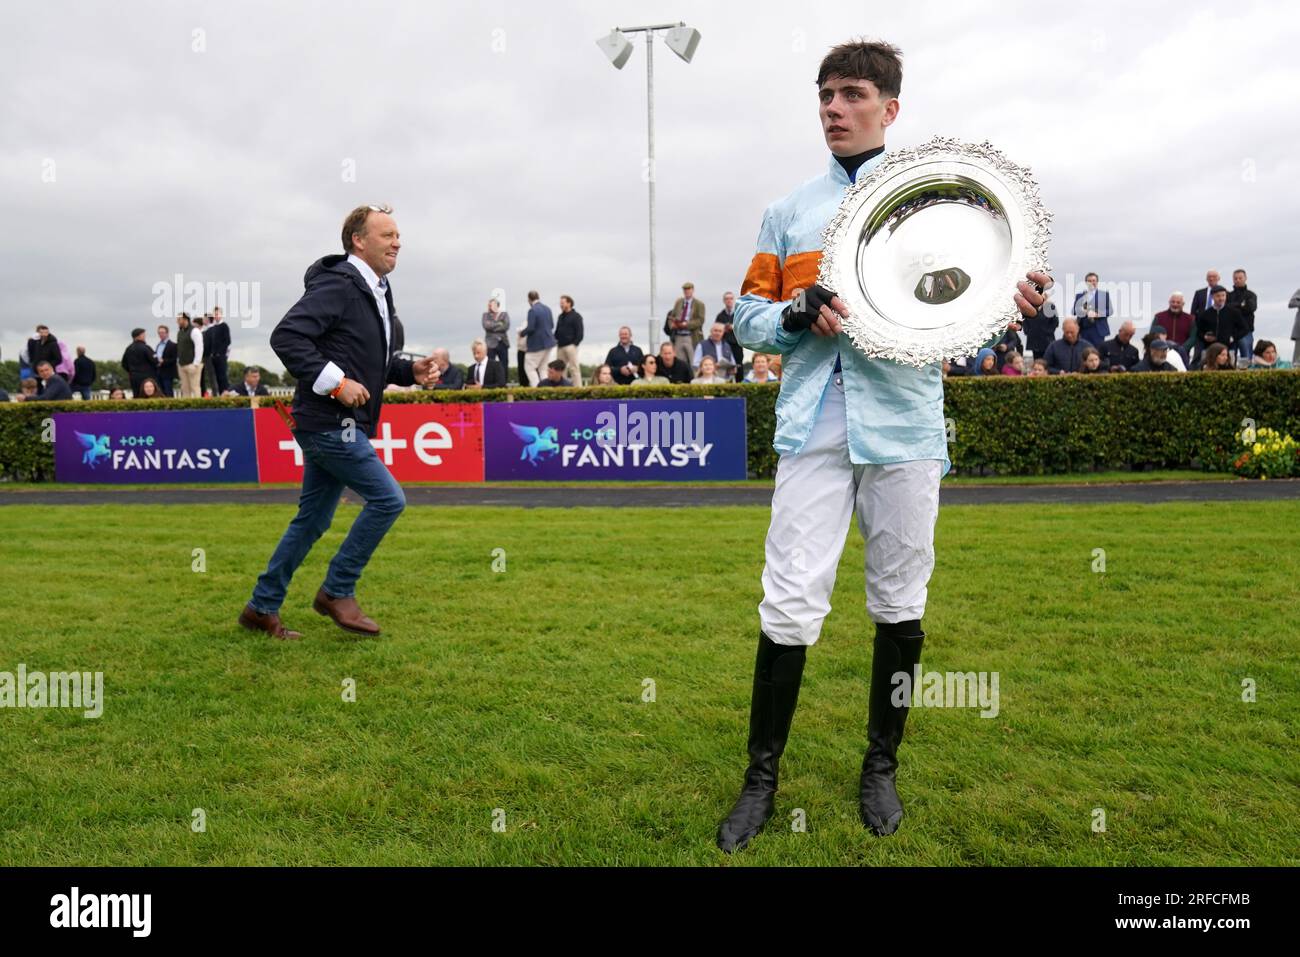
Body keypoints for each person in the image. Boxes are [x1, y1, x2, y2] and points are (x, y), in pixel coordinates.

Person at [722, 37, 1050, 854]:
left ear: (889, 108)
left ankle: (881, 765)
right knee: (790, 599)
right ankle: (761, 776)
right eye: (825, 94)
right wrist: (793, 315)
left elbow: (971, 296)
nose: (834, 107)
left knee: (901, 597)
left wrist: (1013, 293)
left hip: (904, 421)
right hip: (812, 422)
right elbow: (747, 317)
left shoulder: (943, 204)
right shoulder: (788, 210)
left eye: (852, 93)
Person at [242, 203, 437, 640]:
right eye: (387, 235)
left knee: (311, 521)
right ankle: (337, 591)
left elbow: (369, 363)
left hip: (331, 424)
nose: (397, 243)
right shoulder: (341, 283)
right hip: (329, 423)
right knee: (389, 500)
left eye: (398, 235)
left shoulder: (377, 289)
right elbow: (287, 336)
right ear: (358, 240)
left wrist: (410, 373)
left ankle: (260, 607)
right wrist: (335, 384)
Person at [1194, 286, 1243, 364]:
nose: (1221, 298)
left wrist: (1233, 337)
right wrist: (1204, 337)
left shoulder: (1234, 312)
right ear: (1212, 297)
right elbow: (1199, 331)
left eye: (1223, 295)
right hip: (1209, 349)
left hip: (1229, 348)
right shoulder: (1205, 314)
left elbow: (1244, 329)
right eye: (1218, 296)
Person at [665, 281, 706, 364]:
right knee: (680, 362)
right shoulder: (679, 302)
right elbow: (671, 316)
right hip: (678, 336)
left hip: (691, 337)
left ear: (692, 290)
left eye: (688, 289)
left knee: (694, 362)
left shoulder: (699, 304)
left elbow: (701, 320)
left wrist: (686, 325)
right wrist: (672, 325)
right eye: (685, 289)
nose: (687, 291)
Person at [522, 290, 556, 386]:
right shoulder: (547, 309)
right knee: (543, 369)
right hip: (549, 343)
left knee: (529, 367)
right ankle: (546, 389)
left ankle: (536, 389)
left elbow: (531, 328)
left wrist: (522, 333)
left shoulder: (532, 310)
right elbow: (552, 325)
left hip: (537, 344)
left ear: (529, 299)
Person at [1072, 272, 1111, 348]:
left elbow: (1109, 311)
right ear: (1086, 282)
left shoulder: (1104, 295)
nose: (1092, 283)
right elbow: (1074, 311)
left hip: (1098, 329)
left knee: (1097, 352)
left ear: (1097, 282)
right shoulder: (1080, 296)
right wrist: (1083, 311)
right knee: (1083, 352)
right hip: (1083, 329)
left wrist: (1097, 314)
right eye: (1089, 281)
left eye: (1093, 280)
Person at [1227, 268, 1257, 362]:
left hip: (1246, 332)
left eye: (1240, 278)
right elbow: (1227, 309)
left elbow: (1251, 308)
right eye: (1235, 278)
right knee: (1230, 359)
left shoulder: (1251, 295)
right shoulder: (1228, 295)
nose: (1238, 280)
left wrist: (1235, 306)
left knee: (1246, 359)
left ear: (1245, 278)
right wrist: (1241, 305)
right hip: (1231, 332)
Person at [554, 295, 584, 387]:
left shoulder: (576, 316)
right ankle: (562, 387)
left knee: (574, 368)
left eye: (562, 303)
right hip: (560, 346)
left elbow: (580, 332)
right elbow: (557, 330)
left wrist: (575, 344)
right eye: (560, 303)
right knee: (560, 369)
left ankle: (578, 388)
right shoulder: (560, 317)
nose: (561, 305)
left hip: (571, 346)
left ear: (569, 303)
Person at [121, 328, 159, 397]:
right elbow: (155, 361)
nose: (145, 336)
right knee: (148, 396)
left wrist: (131, 371)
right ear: (139, 336)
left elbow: (124, 364)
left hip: (134, 377)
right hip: (147, 377)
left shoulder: (128, 349)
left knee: (137, 395)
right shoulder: (146, 348)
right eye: (143, 335)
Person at [717, 291, 745, 382]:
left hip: (737, 344)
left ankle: (740, 386)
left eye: (730, 298)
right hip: (725, 345)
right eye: (726, 299)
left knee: (738, 366)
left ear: (733, 300)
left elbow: (743, 326)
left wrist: (733, 327)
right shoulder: (720, 316)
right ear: (724, 301)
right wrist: (724, 329)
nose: (729, 301)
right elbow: (717, 329)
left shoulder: (739, 313)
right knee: (725, 366)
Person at [480, 298, 511, 379]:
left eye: (491, 305)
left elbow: (506, 326)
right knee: (490, 364)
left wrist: (493, 327)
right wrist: (499, 323)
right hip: (490, 344)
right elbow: (486, 326)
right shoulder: (485, 315)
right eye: (489, 305)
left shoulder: (504, 314)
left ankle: (503, 383)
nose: (489, 307)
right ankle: (491, 382)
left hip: (503, 343)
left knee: (504, 364)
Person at [179, 314, 205, 397]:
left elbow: (199, 347)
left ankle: (198, 408)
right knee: (185, 388)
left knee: (195, 387)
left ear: (185, 319)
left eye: (179, 319)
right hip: (182, 364)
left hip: (192, 364)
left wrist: (196, 363)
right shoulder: (180, 332)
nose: (178, 321)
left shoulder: (195, 331)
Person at [208, 306, 232, 394]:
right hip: (213, 356)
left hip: (221, 356)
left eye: (217, 314)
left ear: (221, 315)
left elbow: (227, 341)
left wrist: (220, 353)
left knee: (223, 377)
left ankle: (225, 393)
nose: (216, 316)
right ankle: (220, 394)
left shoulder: (224, 326)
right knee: (217, 377)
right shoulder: (212, 328)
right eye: (214, 314)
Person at [155, 324, 178, 396]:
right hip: (159, 371)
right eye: (159, 333)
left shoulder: (172, 345)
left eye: (162, 332)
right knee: (160, 391)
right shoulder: (158, 345)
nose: (160, 334)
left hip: (168, 372)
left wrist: (164, 361)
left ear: (167, 333)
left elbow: (174, 359)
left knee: (168, 391)